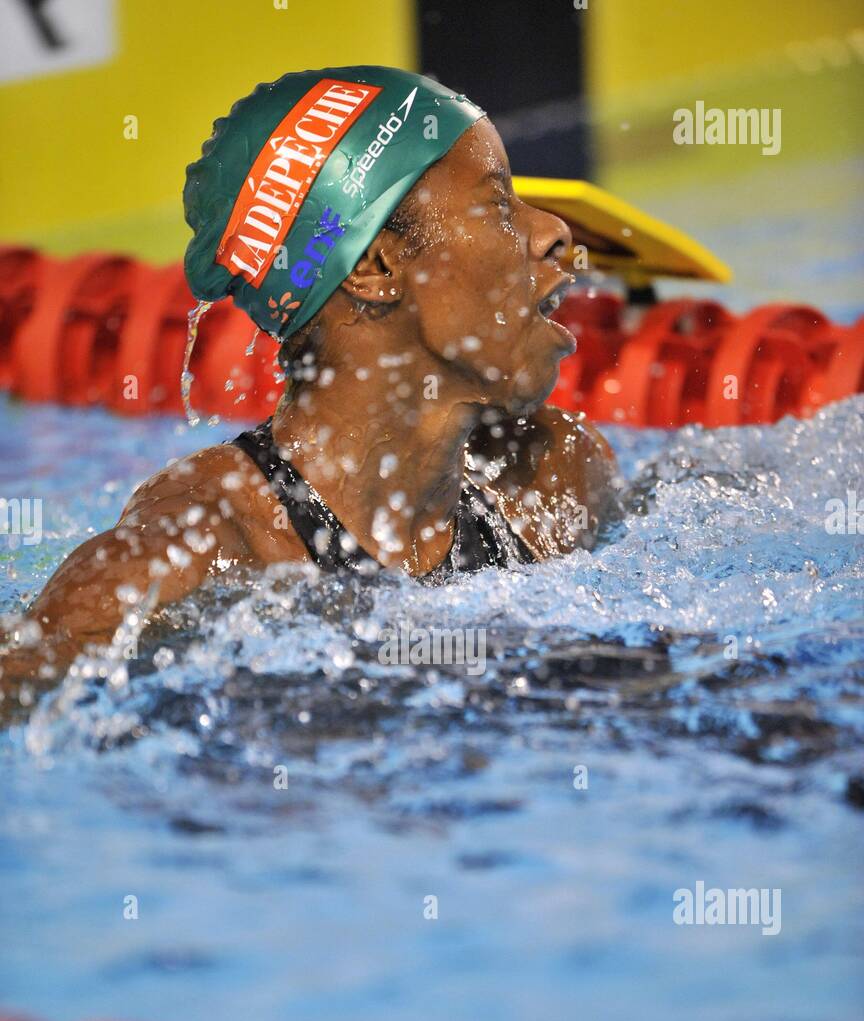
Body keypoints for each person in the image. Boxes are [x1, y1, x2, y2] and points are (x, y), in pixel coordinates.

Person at [0, 66, 618, 715]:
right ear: (374, 267)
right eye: (497, 206)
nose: (555, 231)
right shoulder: (199, 551)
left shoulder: (553, 478)